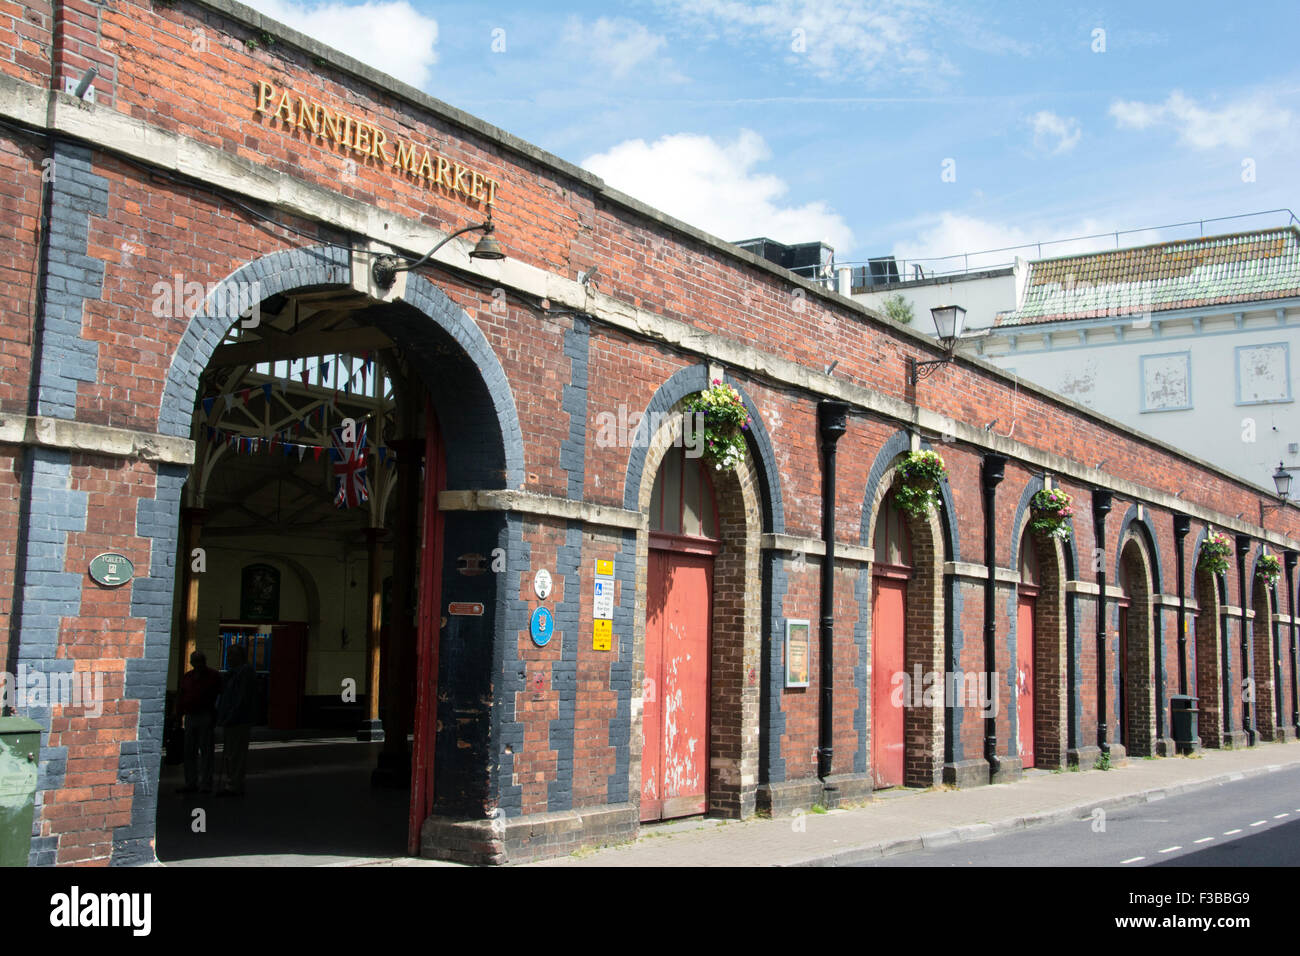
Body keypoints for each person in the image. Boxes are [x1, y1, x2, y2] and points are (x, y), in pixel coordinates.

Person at [176, 650, 222, 794]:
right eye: (194, 661)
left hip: (205, 715)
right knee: (190, 750)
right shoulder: (188, 677)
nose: (197, 664)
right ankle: (191, 782)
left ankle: (205, 783)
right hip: (191, 715)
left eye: (198, 661)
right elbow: (182, 696)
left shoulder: (213, 676)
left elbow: (219, 696)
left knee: (206, 750)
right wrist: (178, 715)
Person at [215, 643, 257, 796]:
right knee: (231, 752)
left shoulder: (245, 672)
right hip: (231, 718)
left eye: (232, 654)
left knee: (236, 753)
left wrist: (231, 715)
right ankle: (231, 782)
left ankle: (234, 784)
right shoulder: (232, 674)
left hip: (239, 719)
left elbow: (241, 698)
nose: (229, 657)